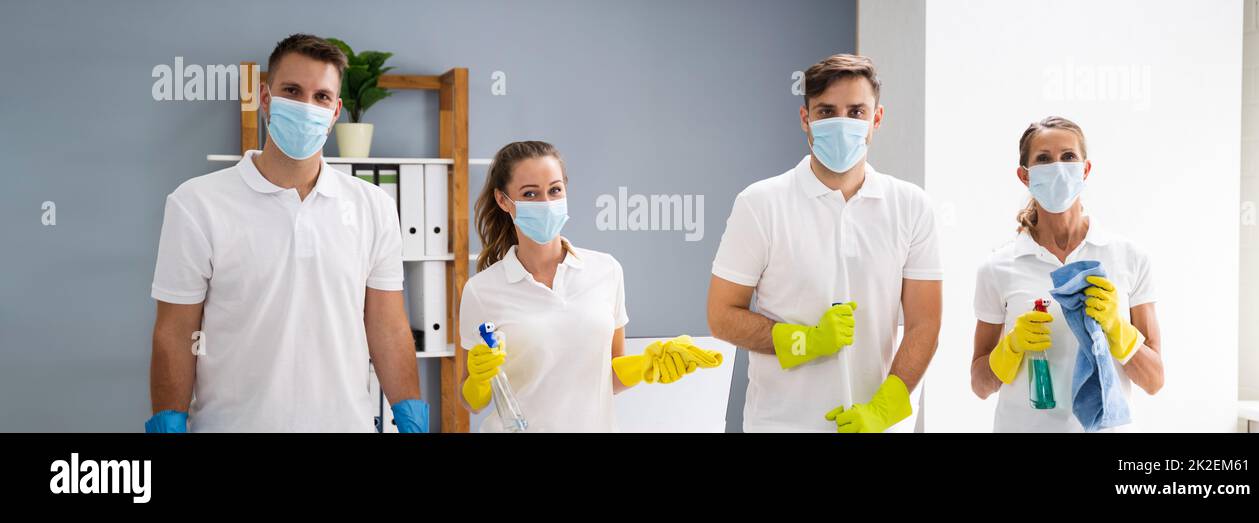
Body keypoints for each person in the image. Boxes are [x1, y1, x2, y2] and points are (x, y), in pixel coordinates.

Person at [147, 34, 427, 432]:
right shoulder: (197, 203)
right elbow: (175, 332)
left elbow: (388, 326)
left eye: (322, 97)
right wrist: (168, 421)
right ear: (266, 99)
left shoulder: (373, 206)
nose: (306, 107)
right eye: (292, 91)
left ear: (335, 113)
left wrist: (410, 412)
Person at [706, 54, 943, 433]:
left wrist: (885, 408)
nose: (842, 123)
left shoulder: (911, 206)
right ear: (806, 120)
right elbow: (721, 316)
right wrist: (805, 341)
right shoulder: (760, 203)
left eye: (856, 111)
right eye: (827, 111)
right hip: (782, 425)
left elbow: (924, 324)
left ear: (876, 119)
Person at [458, 141, 721, 432]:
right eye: (530, 194)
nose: (546, 203)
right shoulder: (482, 290)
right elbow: (473, 402)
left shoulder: (605, 270)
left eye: (555, 190)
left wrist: (648, 365)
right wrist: (479, 380)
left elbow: (608, 376)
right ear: (504, 200)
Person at [970, 116, 1164, 432]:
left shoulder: (1129, 257)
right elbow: (980, 385)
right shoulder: (997, 268)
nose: (1057, 168)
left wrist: (1118, 329)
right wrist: (1011, 348)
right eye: (1043, 159)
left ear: (1085, 170)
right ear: (1025, 175)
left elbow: (1154, 380)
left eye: (1068, 157)